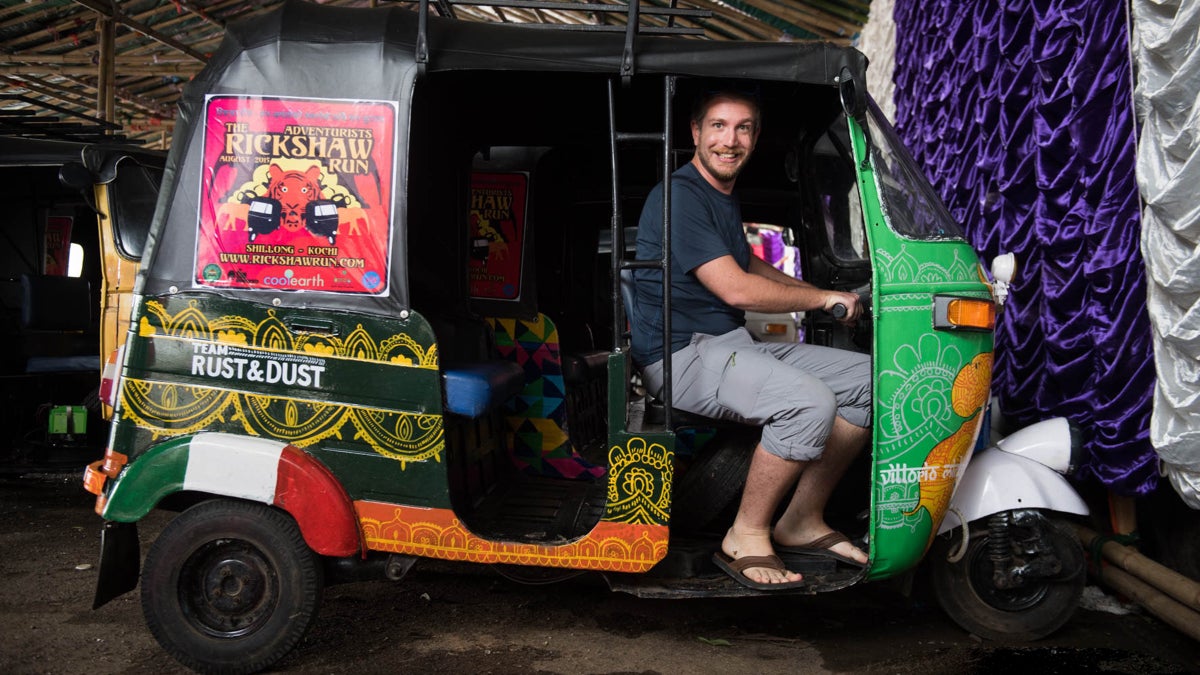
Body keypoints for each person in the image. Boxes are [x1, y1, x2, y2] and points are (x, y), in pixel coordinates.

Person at [630, 89, 872, 590]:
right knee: (809, 402)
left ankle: (801, 520)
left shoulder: (719, 194)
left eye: (743, 128)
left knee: (871, 381)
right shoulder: (681, 195)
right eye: (718, 126)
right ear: (695, 133)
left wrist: (827, 294)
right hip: (683, 355)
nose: (730, 139)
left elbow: (746, 264)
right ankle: (745, 534)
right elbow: (735, 286)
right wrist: (823, 301)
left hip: (728, 342)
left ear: (755, 138)